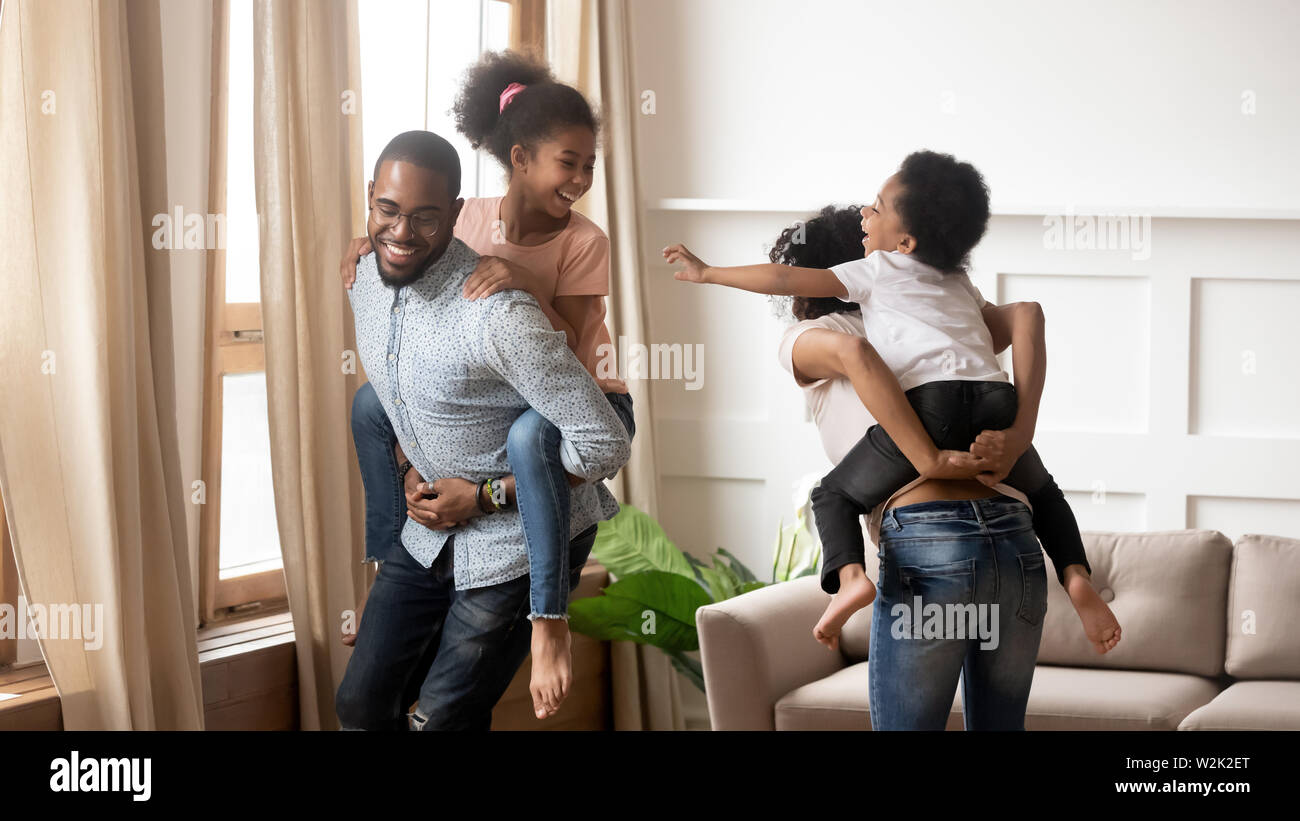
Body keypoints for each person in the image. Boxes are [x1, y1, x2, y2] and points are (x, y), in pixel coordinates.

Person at [340, 51, 631, 720]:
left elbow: (581, 354)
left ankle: (549, 616)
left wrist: (524, 290)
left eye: (590, 164)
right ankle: (389, 557)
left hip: (583, 392)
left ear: (450, 210)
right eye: (570, 162)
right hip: (480, 454)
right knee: (368, 405)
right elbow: (411, 252)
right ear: (519, 158)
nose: (583, 178)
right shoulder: (454, 234)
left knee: (533, 434)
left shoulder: (578, 245)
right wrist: (413, 464)